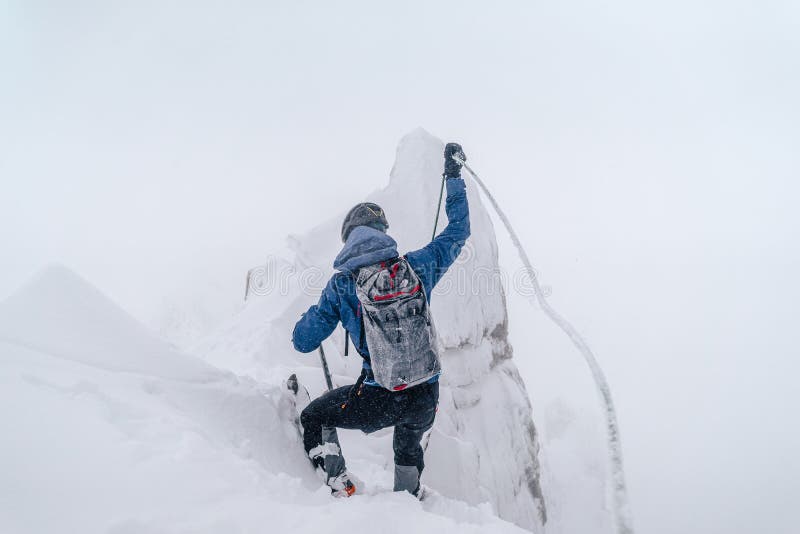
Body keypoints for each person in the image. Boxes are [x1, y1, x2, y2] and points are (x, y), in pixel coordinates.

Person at [291, 142, 470, 498]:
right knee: (408, 439)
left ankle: (340, 483)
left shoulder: (342, 285)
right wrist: (454, 175)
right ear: (382, 232)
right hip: (425, 396)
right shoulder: (416, 267)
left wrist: (309, 318)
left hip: (378, 399)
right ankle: (408, 499)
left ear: (349, 239)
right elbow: (459, 231)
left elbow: (303, 341)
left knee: (316, 416)